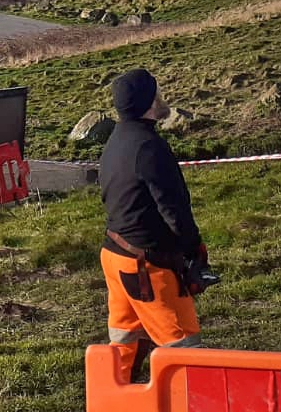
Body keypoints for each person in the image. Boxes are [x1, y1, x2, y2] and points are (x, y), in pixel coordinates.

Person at [98, 68, 212, 380]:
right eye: (157, 93)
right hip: (147, 267)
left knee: (125, 341)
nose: (162, 98)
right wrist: (193, 250)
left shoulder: (115, 141)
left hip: (116, 256)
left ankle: (116, 400)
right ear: (150, 102)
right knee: (183, 347)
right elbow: (173, 209)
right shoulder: (149, 146)